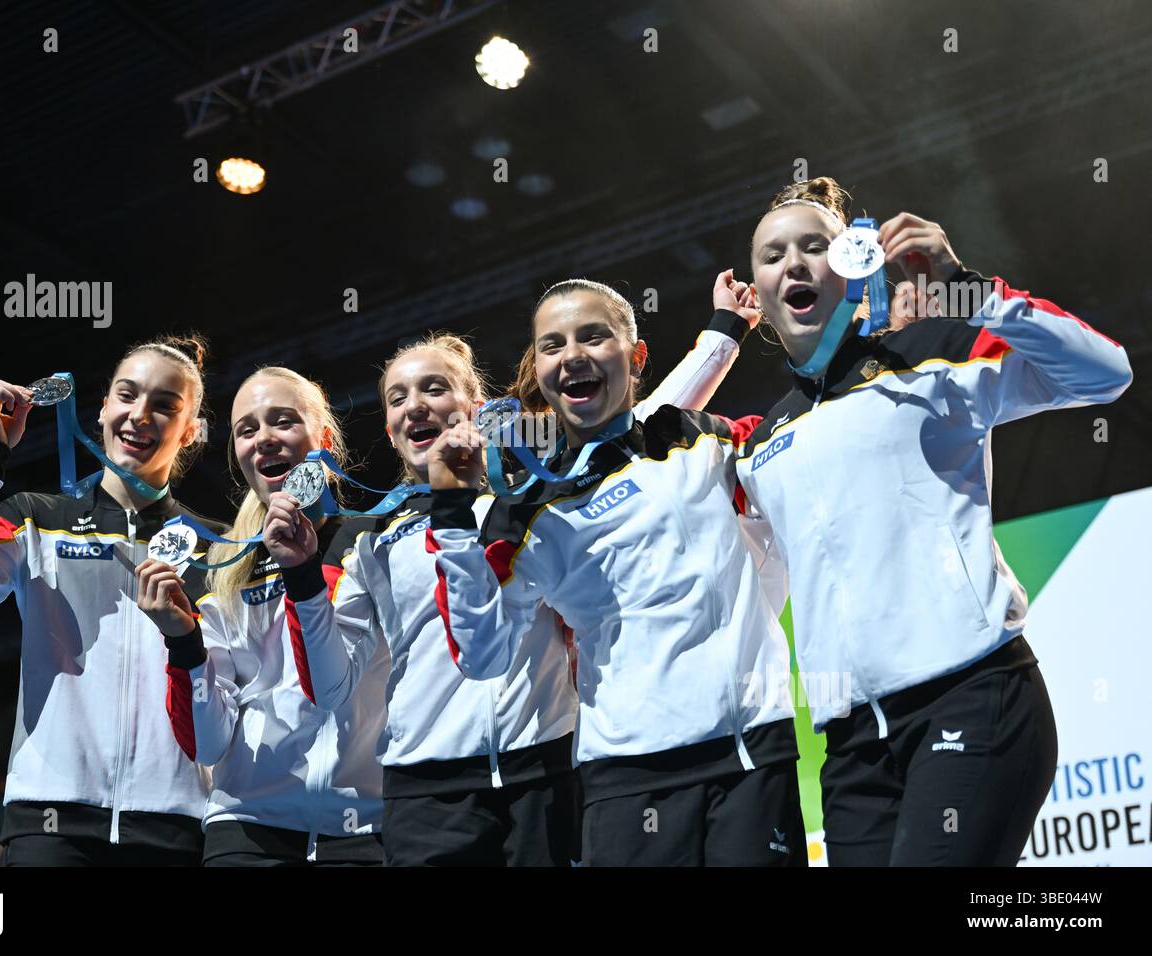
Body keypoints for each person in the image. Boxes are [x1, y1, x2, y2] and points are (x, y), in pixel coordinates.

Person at [263, 284, 759, 865]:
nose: (415, 405)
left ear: (475, 405)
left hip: (542, 773)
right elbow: (329, 688)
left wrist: (723, 334)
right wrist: (299, 578)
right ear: (391, 426)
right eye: (397, 398)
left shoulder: (531, 495)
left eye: (434, 388)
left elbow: (636, 426)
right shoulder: (366, 538)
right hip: (425, 791)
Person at [735, 176, 1133, 865]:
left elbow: (1104, 374)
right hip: (852, 745)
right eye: (774, 255)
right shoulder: (762, 441)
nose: (794, 264)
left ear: (857, 266)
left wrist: (970, 291)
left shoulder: (933, 356)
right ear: (758, 294)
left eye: (814, 247)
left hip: (971, 699)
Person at [420, 280, 806, 866]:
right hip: (624, 773)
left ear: (636, 355)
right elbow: (481, 655)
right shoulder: (526, 511)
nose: (572, 354)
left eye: (593, 336)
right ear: (541, 370)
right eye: (552, 345)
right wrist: (450, 510)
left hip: (750, 750)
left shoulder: (697, 439)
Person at [0, 335, 219, 866]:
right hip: (49, 821)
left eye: (165, 406)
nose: (139, 415)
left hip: (175, 824)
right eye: (127, 395)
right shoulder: (36, 516)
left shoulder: (216, 546)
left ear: (190, 431)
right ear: (102, 407)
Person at [135, 366, 389, 866]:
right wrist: (182, 640)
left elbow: (333, 686)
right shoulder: (222, 568)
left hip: (361, 826)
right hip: (247, 832)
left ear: (325, 438)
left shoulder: (371, 540)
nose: (264, 440)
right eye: (247, 430)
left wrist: (302, 572)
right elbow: (208, 746)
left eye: (282, 421)